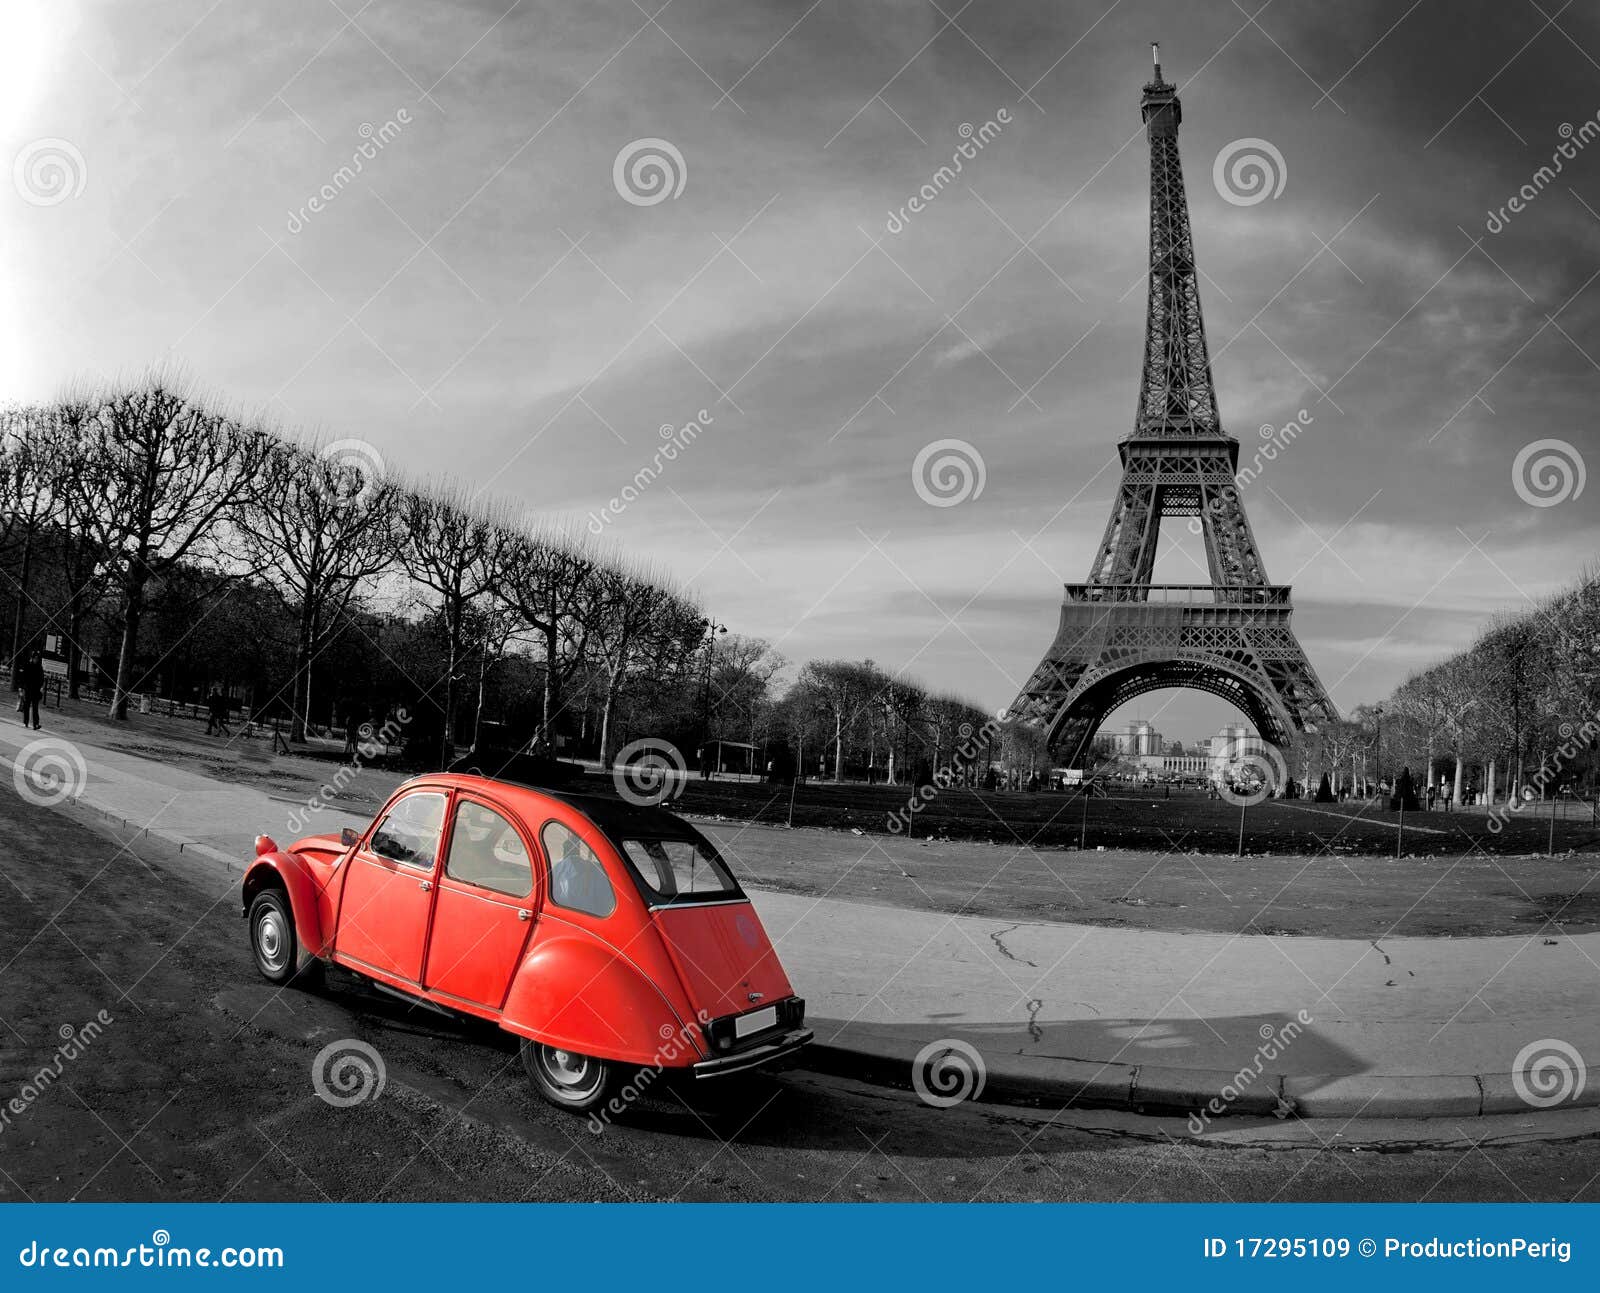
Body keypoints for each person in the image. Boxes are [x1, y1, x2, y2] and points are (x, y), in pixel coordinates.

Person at [16, 648, 44, 730]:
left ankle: (36, 724)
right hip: (27, 689)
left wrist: (41, 687)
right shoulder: (27, 665)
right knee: (26, 706)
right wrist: (21, 687)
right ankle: (26, 722)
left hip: (36, 690)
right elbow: (22, 677)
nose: (36, 660)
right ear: (32, 658)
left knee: (35, 708)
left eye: (37, 658)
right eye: (34, 658)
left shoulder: (39, 667)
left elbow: (42, 678)